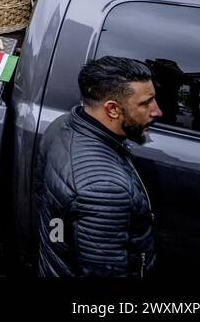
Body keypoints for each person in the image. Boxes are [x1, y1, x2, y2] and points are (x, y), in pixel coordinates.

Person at [36, 56, 160, 277]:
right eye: (145, 103)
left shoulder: (64, 124)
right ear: (112, 109)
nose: (156, 111)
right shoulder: (104, 189)